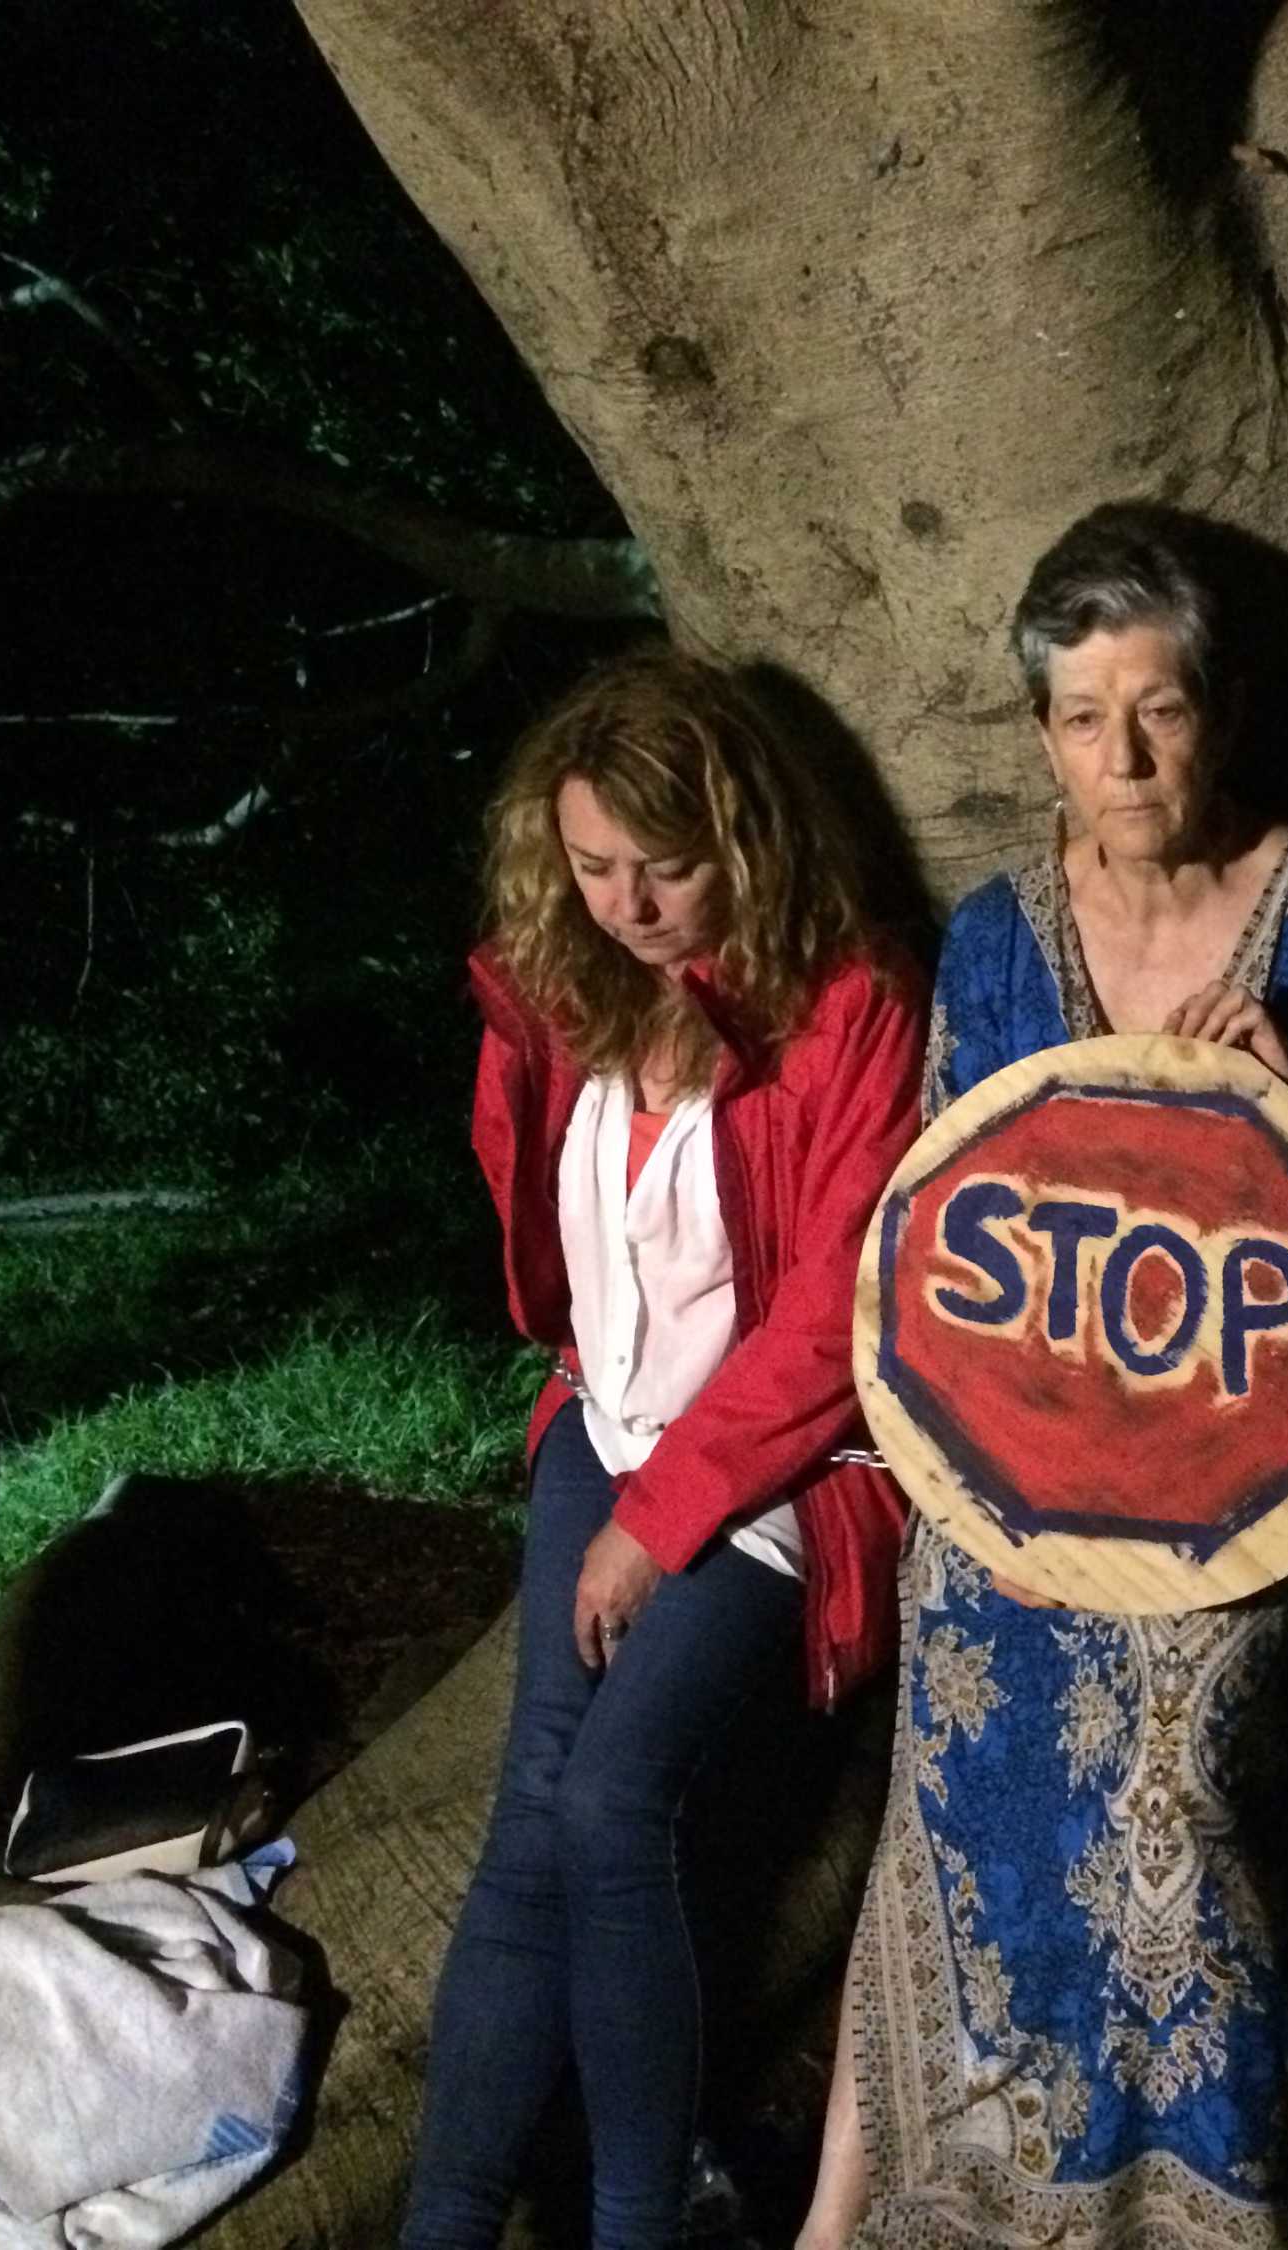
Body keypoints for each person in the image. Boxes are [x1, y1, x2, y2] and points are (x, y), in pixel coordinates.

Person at [801, 504, 1288, 2247]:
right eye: (1085, 717)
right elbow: (934, 1259)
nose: (1124, 757)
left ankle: (1200, 2207)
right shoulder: (997, 939)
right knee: (965, 1758)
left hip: (1254, 1505)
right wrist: (996, 1510)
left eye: (1160, 710)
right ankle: (921, 2194)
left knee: (1176, 1793)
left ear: (1223, 714)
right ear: (1043, 735)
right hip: (1014, 1493)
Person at [403, 645, 925, 2250]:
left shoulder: (852, 1004)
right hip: (604, 1424)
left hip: (786, 1466)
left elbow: (839, 1311)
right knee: (531, 1820)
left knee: (614, 1802)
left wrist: (663, 1514)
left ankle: (639, 2223)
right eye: (591, 864)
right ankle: (443, 2225)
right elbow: (556, 1247)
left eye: (665, 866)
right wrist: (614, 1477)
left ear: (746, 839)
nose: (627, 903)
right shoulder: (570, 987)